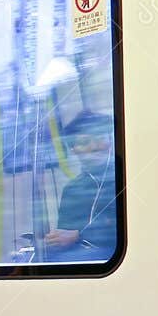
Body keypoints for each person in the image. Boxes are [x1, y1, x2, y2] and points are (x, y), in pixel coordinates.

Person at [43, 112, 118, 263]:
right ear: (73, 150)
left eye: (100, 138)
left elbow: (121, 229)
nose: (95, 147)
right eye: (85, 142)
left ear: (110, 141)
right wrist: (54, 240)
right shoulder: (72, 189)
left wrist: (78, 235)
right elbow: (65, 235)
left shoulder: (121, 178)